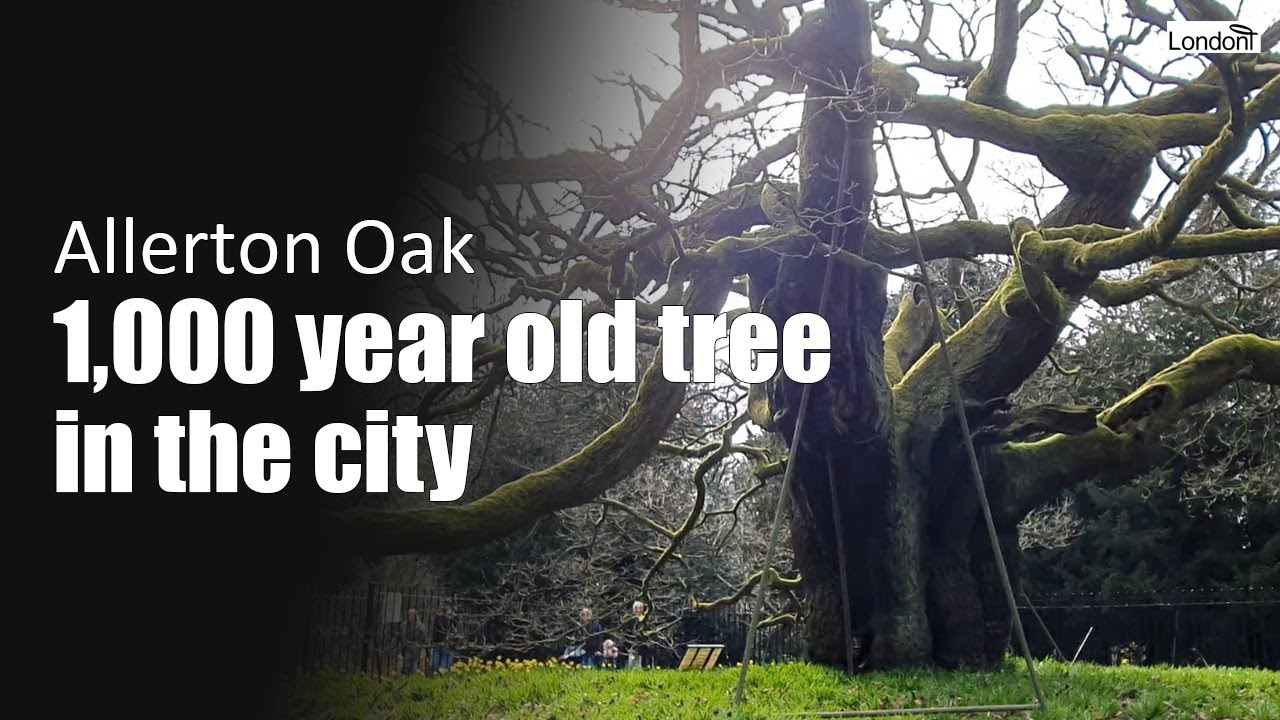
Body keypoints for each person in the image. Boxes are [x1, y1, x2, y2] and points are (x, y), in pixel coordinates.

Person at [430, 600, 458, 673]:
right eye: (441, 605)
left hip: (448, 644)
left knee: (444, 666)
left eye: (443, 605)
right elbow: (435, 629)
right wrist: (433, 641)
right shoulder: (438, 617)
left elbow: (454, 630)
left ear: (448, 606)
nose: (441, 607)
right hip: (438, 643)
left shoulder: (453, 617)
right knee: (435, 665)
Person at [398, 608, 428, 676]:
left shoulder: (420, 626)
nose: (409, 617)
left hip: (415, 651)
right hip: (406, 650)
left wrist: (420, 647)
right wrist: (400, 651)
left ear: (415, 616)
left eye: (411, 615)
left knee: (413, 669)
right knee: (406, 668)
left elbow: (424, 639)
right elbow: (401, 639)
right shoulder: (404, 626)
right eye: (408, 615)